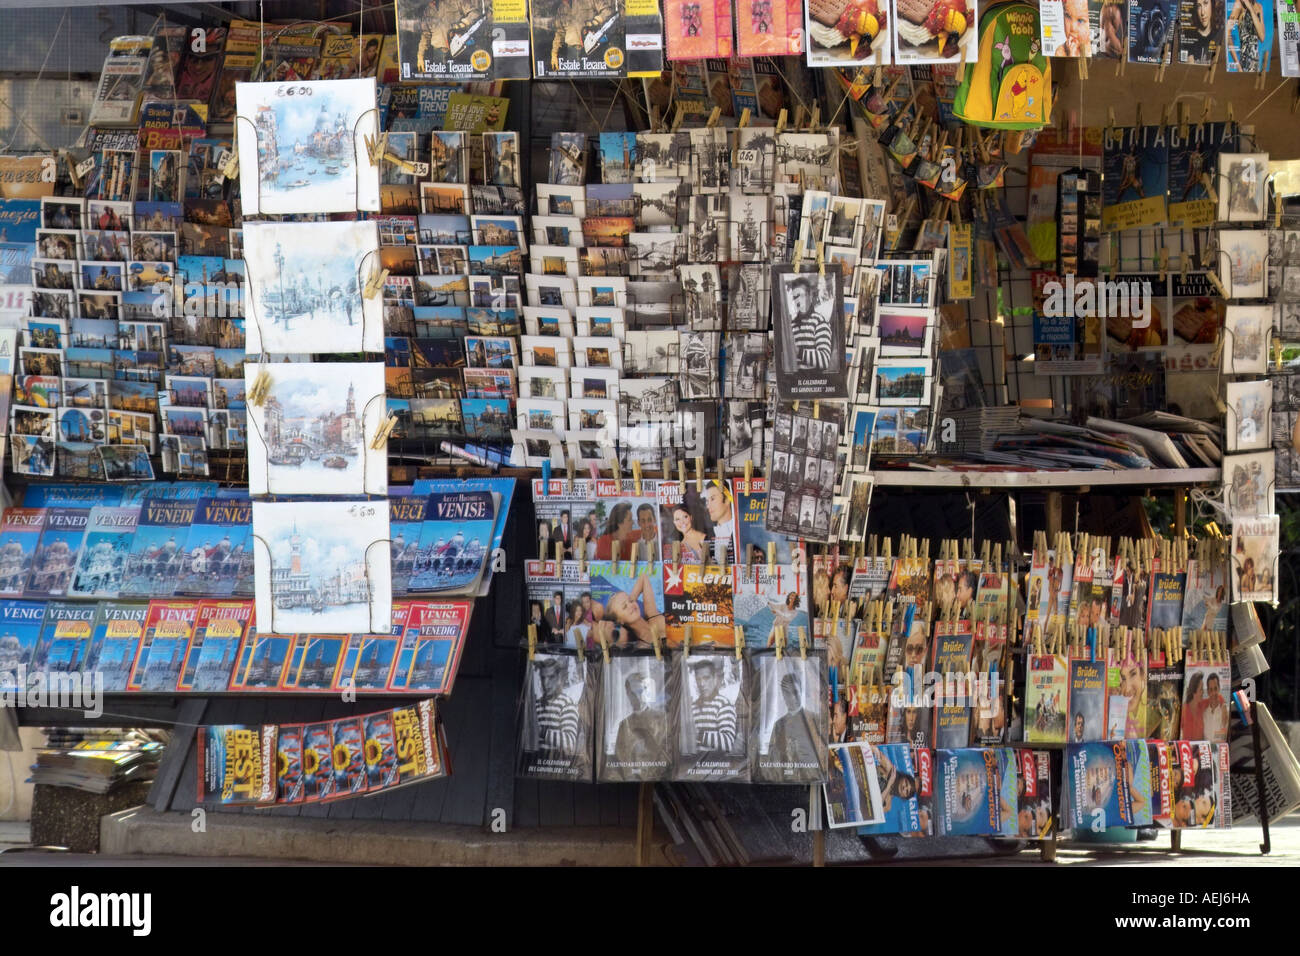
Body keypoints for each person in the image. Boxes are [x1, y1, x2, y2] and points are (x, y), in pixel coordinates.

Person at [593, 572, 666, 647]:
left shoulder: (652, 614)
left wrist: (632, 599)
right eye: (624, 607)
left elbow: (643, 577)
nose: (631, 605)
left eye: (630, 601)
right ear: (620, 621)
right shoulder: (642, 644)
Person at [613, 669, 668, 766]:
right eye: (633, 693)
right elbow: (619, 758)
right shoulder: (623, 725)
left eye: (640, 691)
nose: (638, 697)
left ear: (646, 690)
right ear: (628, 694)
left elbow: (666, 755)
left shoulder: (661, 719)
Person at [534, 656, 580, 758]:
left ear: (559, 677)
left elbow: (569, 742)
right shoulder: (535, 705)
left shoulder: (567, 704)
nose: (545, 684)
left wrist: (542, 732)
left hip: (557, 767)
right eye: (543, 678)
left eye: (551, 677)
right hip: (535, 764)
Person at [690, 657, 737, 753]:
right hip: (693, 765)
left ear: (715, 678)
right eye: (698, 679)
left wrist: (699, 735)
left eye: (706, 678)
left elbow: (728, 743)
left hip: (718, 765)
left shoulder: (724, 705)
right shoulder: (692, 707)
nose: (702, 684)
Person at [786, 275, 833, 371]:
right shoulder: (791, 325)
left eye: (802, 295)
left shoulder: (819, 322)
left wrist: (798, 352)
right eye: (795, 297)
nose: (798, 301)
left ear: (810, 296)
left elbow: (824, 360)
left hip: (814, 382)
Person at [1228, 0, 1265, 71]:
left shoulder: (1259, 7)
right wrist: (1238, 65)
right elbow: (1227, 33)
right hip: (1245, 63)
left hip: (1256, 63)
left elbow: (1262, 37)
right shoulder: (1239, 4)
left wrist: (1250, 9)